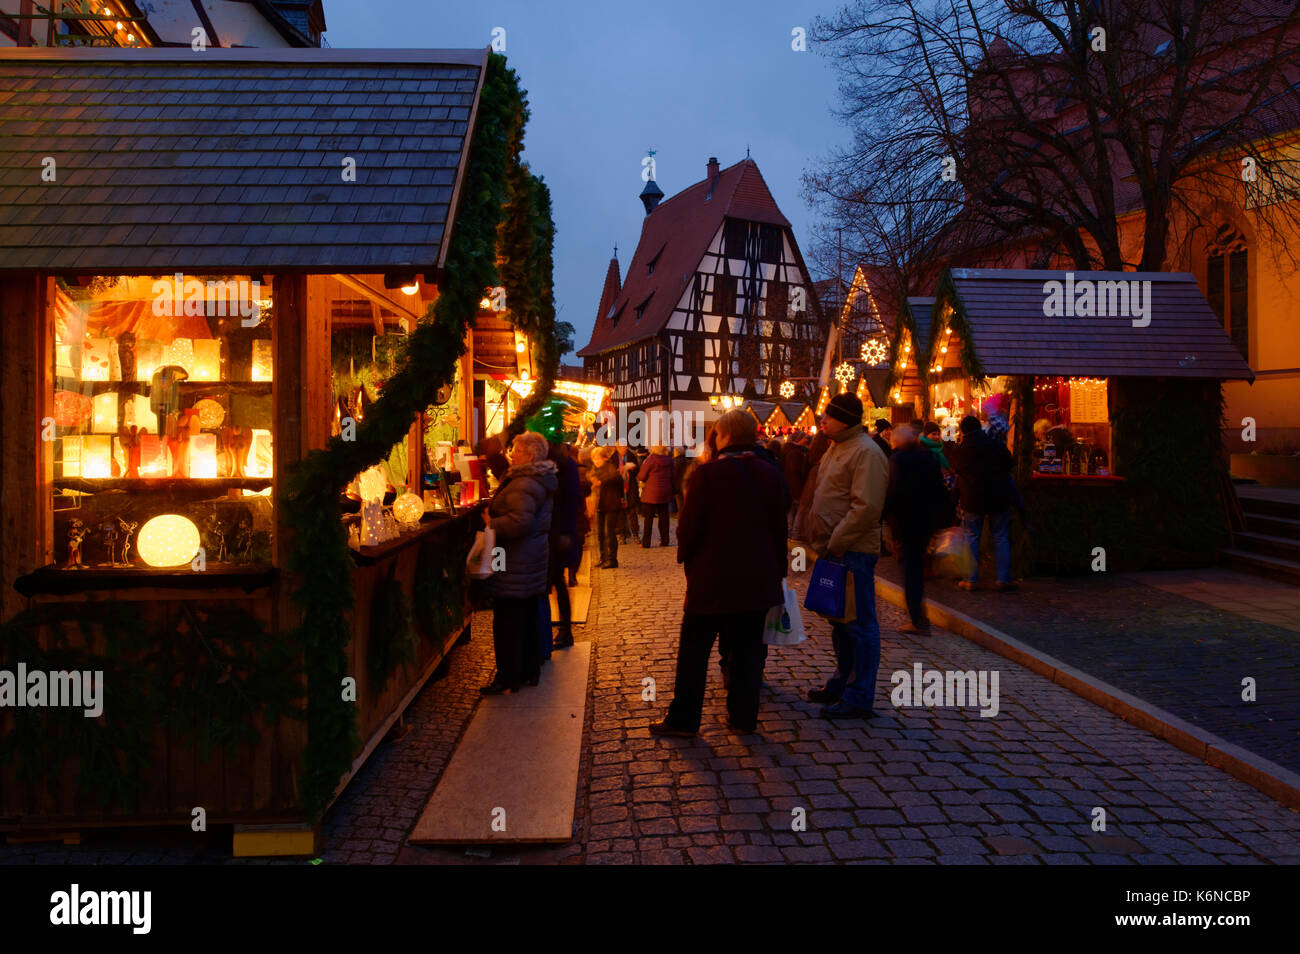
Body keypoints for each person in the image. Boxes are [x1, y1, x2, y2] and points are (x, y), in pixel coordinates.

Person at [649, 409, 788, 737]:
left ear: (723, 436)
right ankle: (743, 718)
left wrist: (688, 561)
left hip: (713, 578)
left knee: (695, 650)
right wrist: (778, 572)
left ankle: (684, 718)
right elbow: (779, 528)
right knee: (748, 652)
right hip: (757, 579)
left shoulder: (708, 475)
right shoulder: (770, 473)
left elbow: (689, 526)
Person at [807, 393, 889, 720]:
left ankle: (859, 695)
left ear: (844, 419)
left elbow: (865, 507)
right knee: (839, 620)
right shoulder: (837, 447)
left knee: (859, 624)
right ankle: (842, 682)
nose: (822, 420)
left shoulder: (866, 453)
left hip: (851, 550)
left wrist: (838, 540)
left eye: (828, 415)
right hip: (834, 549)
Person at [481, 430, 556, 693]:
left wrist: (492, 523)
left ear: (531, 455)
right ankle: (527, 671)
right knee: (523, 617)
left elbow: (520, 522)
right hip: (527, 559)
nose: (511, 454)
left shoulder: (525, 482)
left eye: (516, 450)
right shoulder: (535, 479)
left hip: (515, 561)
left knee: (508, 621)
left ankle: (508, 676)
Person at [882, 424, 946, 635]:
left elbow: (892, 494)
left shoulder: (897, 460)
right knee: (917, 567)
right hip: (925, 520)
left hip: (906, 522)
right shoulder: (927, 457)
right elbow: (939, 489)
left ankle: (918, 619)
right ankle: (920, 616)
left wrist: (886, 522)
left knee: (911, 571)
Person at [949, 415, 1017, 592]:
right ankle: (1003, 578)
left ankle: (971, 579)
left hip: (972, 499)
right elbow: (1009, 463)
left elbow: (956, 468)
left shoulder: (960, 450)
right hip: (998, 497)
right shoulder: (995, 445)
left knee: (972, 537)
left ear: (963, 431)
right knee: (1001, 537)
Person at [545, 438, 581, 649]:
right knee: (558, 582)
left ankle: (562, 631)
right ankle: (563, 630)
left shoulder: (561, 467)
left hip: (557, 532)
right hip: (560, 531)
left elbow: (568, 500)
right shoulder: (567, 465)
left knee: (554, 581)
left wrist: (564, 531)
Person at [791, 431, 831, 542]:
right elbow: (808, 501)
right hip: (810, 527)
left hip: (808, 524)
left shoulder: (812, 460)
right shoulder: (818, 468)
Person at [592, 445, 623, 568]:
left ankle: (612, 559)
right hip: (601, 505)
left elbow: (616, 478)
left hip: (611, 504)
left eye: (598, 458)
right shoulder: (596, 469)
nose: (596, 460)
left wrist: (601, 481)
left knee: (609, 533)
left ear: (604, 458)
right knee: (600, 534)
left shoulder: (610, 467)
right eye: (594, 458)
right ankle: (603, 557)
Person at [637, 444, 674, 547]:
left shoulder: (650, 460)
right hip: (665, 493)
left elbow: (641, 476)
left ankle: (646, 543)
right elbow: (673, 476)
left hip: (651, 493)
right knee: (664, 518)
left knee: (648, 519)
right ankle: (665, 541)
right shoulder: (670, 461)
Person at [782, 435, 810, 533]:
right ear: (799, 439)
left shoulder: (789, 450)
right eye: (804, 438)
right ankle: (791, 532)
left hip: (789, 485)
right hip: (795, 486)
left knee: (791, 510)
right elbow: (795, 470)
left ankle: (788, 530)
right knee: (794, 510)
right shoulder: (796, 452)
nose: (806, 440)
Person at [671, 446, 688, 516]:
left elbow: (674, 473)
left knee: (680, 503)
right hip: (685, 483)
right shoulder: (686, 459)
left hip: (678, 485)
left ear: (677, 452)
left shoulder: (676, 461)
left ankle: (681, 517)